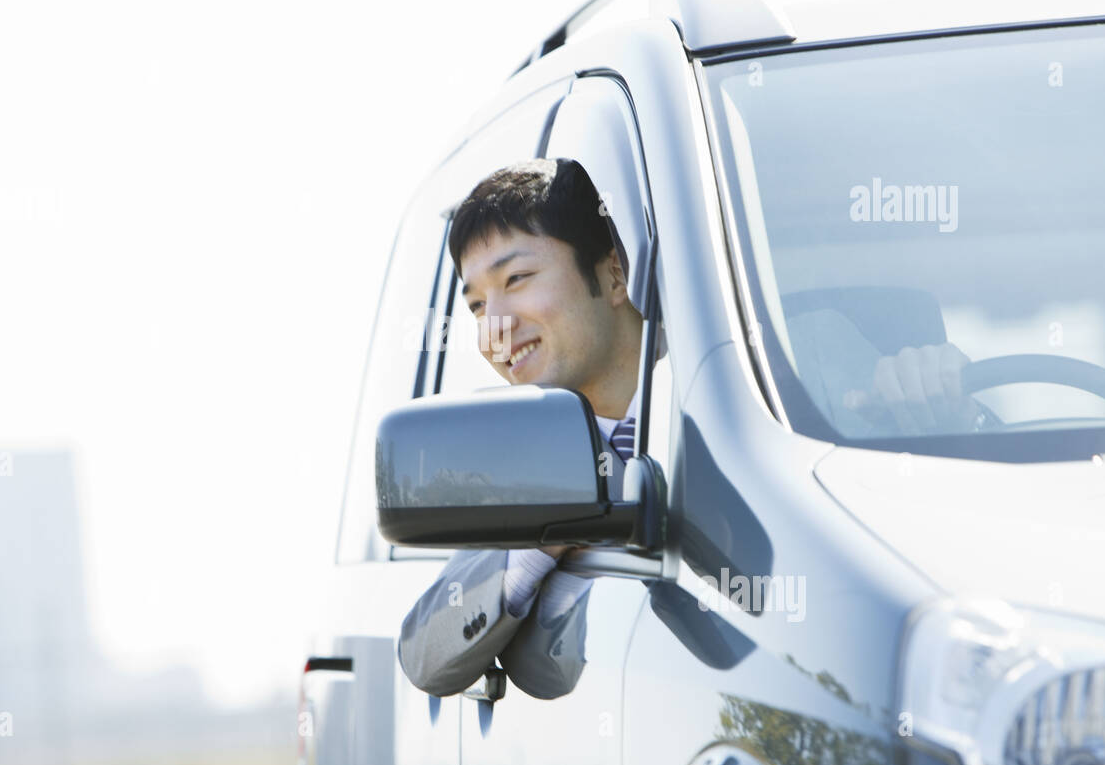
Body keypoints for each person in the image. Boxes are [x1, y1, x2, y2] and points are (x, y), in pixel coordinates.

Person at [397, 157, 988, 700]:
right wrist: (545, 538)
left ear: (613, 275)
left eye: (516, 280)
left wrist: (946, 415)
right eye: (475, 305)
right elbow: (425, 653)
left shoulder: (790, 380)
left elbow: (942, 529)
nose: (493, 328)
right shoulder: (519, 469)